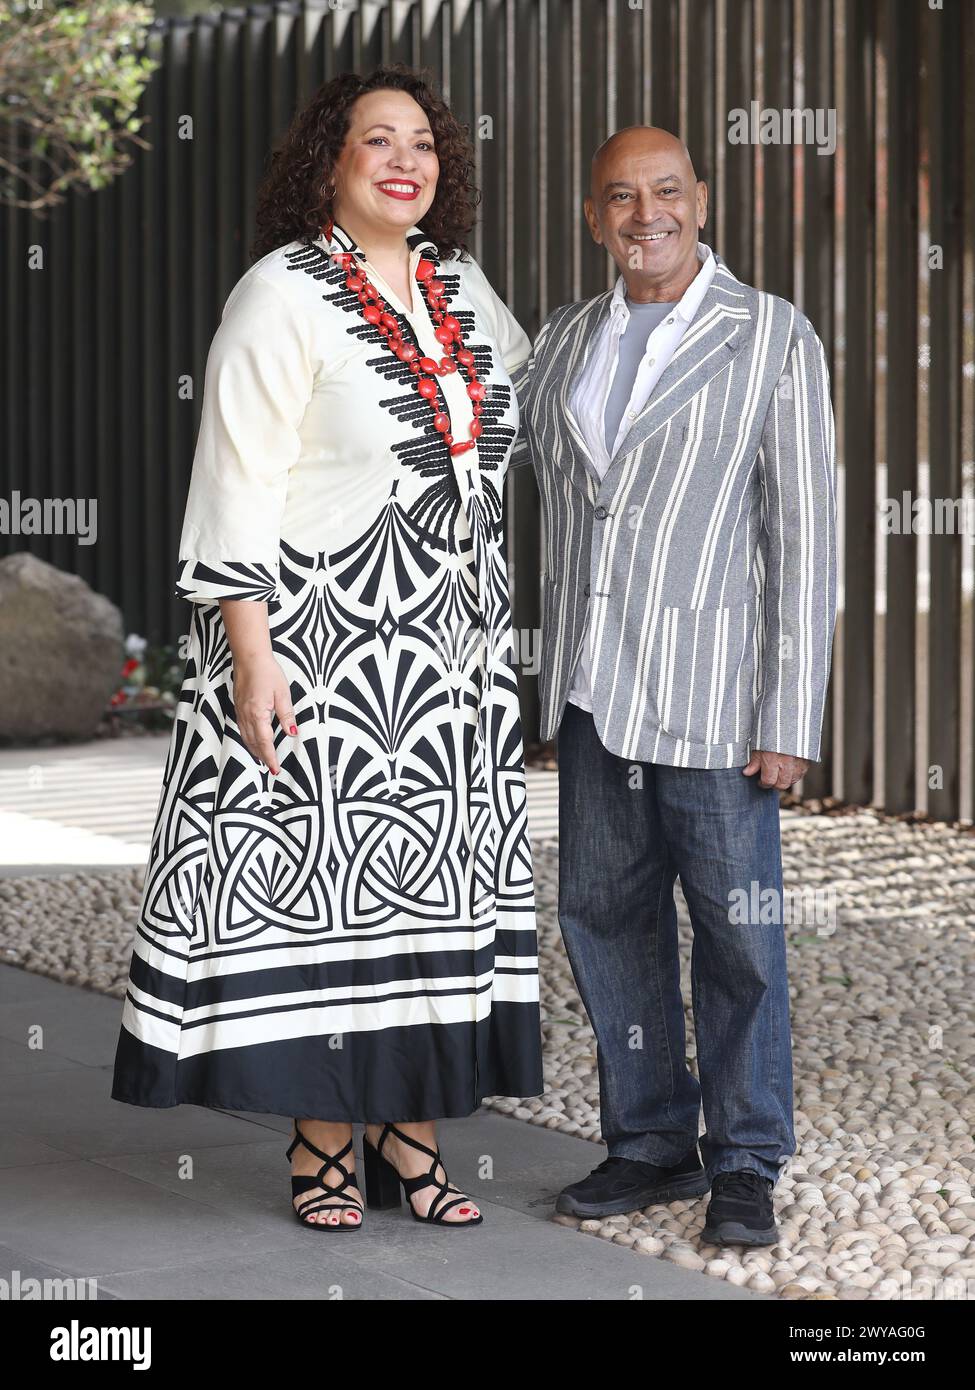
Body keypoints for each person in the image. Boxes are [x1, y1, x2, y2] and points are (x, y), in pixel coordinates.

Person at [111, 65, 544, 1231]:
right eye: (376, 141)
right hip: (313, 647)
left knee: (424, 904)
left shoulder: (462, 285)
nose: (406, 161)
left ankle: (410, 1137)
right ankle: (320, 1145)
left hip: (448, 663)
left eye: (424, 144)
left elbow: (539, 397)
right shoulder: (281, 293)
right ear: (328, 162)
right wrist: (252, 658)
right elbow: (235, 484)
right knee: (322, 900)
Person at [512, 126, 837, 1246]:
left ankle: (746, 1158)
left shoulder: (771, 335)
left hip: (715, 700)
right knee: (605, 917)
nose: (644, 213)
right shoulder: (562, 340)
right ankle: (650, 1141)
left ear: (700, 198)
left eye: (664, 190)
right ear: (593, 216)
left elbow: (804, 539)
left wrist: (788, 714)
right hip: (598, 696)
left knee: (740, 938)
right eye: (619, 196)